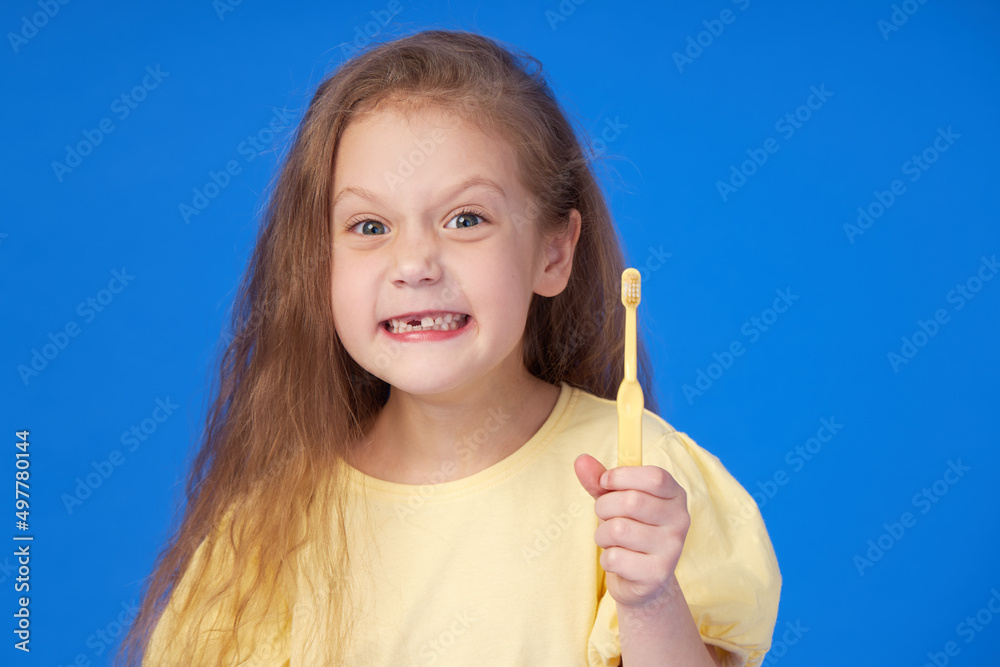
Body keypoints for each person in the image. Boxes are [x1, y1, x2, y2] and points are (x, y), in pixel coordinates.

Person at [120, 28, 781, 667]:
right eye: (369, 225)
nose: (414, 263)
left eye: (467, 218)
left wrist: (649, 598)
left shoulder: (643, 476)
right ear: (320, 263)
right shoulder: (272, 527)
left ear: (553, 253)